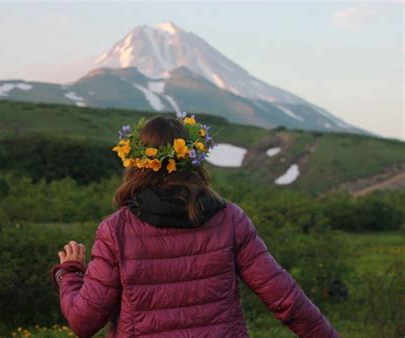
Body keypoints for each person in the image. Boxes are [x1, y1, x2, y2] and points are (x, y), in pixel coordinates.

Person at [50, 113, 339, 338]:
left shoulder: (116, 230)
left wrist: (70, 273)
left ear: (135, 163)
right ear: (193, 159)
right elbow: (284, 298)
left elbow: (84, 322)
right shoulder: (229, 219)